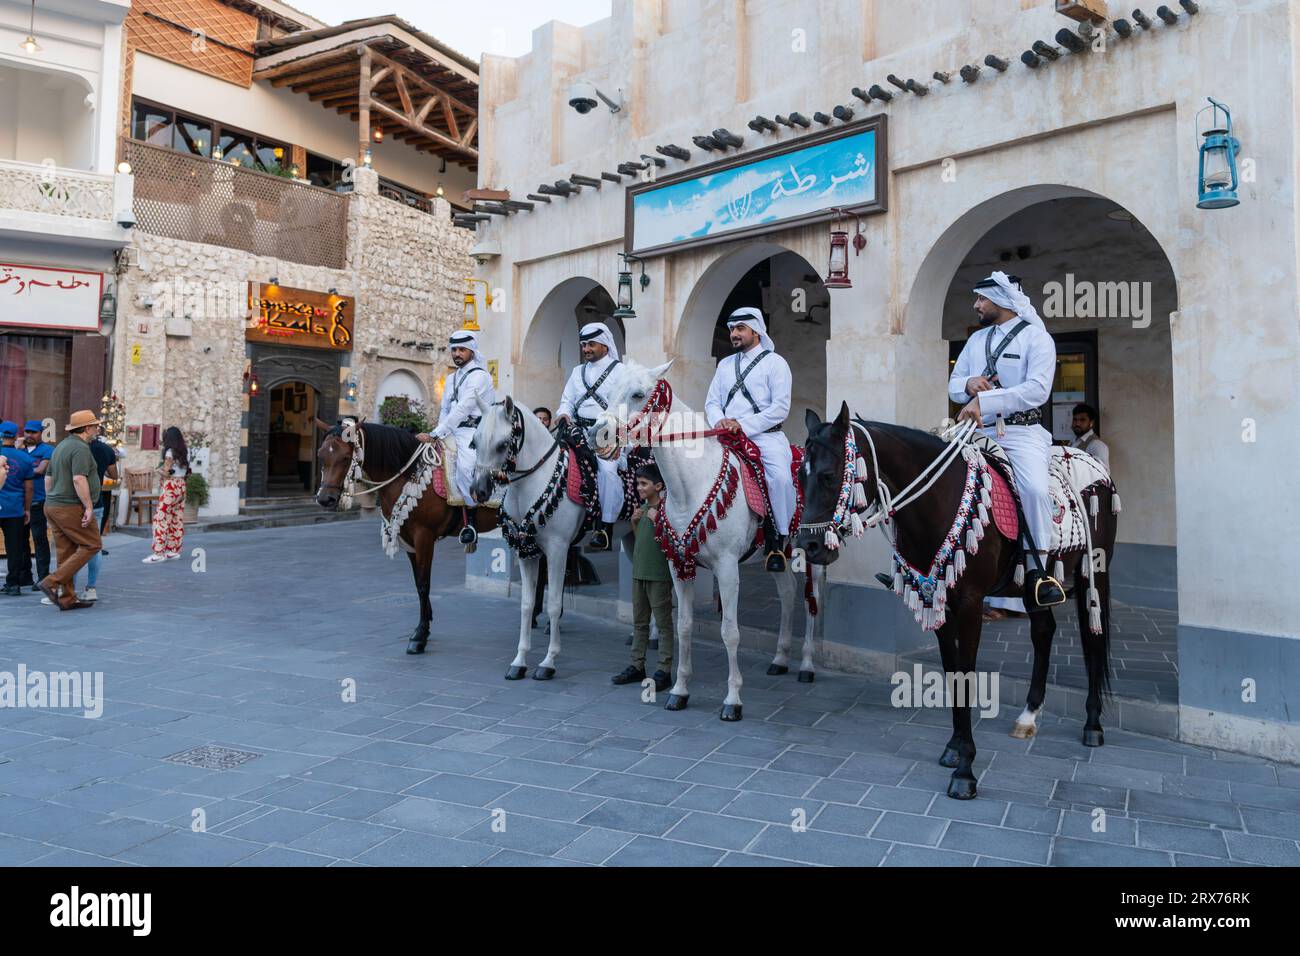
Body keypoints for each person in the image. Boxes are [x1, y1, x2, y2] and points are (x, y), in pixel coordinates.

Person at [950, 271, 1065, 611]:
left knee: (1034, 491)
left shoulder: (1037, 339)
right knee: (936, 478)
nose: (976, 305)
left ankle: (1038, 574)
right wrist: (968, 384)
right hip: (975, 431)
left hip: (1021, 432)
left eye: (981, 299)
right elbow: (954, 384)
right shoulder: (975, 341)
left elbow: (1037, 391)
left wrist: (986, 401)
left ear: (1001, 300)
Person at [704, 306, 796, 572]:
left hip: (765, 438)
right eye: (732, 329)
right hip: (725, 437)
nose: (734, 334)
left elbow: (780, 408)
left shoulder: (776, 363)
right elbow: (712, 402)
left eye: (740, 329)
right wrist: (719, 421)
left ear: (756, 330)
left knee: (779, 478)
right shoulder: (724, 365)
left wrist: (741, 425)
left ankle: (778, 539)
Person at [417, 329, 495, 546]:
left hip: (475, 430)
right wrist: (439, 433)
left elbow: (463, 408)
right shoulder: (451, 379)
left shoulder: (480, 376)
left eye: (462, 349)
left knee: (465, 466)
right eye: (454, 350)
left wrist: (435, 434)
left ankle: (471, 520)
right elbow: (446, 409)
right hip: (451, 430)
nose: (457, 354)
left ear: (471, 351)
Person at [556, 322, 625, 551]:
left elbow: (625, 406)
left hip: (608, 430)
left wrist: (609, 424)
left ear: (604, 345)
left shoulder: (620, 371)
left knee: (607, 470)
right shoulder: (578, 371)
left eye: (591, 344)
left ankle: (604, 527)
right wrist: (564, 413)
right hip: (577, 429)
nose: (586, 349)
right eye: (584, 345)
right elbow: (566, 400)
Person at [611, 462, 675, 691]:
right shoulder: (642, 508)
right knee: (639, 623)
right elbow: (642, 541)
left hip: (658, 575)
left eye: (643, 483)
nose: (639, 487)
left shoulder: (667, 510)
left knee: (664, 624)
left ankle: (664, 670)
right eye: (638, 483)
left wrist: (660, 522)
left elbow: (671, 544)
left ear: (658, 486)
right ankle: (637, 665)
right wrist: (635, 522)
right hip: (639, 573)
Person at [37, 410, 103, 610]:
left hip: (54, 505)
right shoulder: (80, 448)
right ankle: (51, 582)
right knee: (92, 544)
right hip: (70, 506)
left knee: (65, 552)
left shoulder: (61, 446)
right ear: (87, 428)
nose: (97, 428)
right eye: (95, 425)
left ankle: (68, 598)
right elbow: (78, 478)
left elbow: (48, 478)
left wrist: (51, 502)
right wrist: (89, 506)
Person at [142, 427, 189, 564]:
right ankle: (173, 551)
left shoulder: (170, 452)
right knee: (176, 518)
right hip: (181, 485)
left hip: (171, 487)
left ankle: (158, 553)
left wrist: (158, 471)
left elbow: (166, 472)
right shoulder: (185, 451)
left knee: (160, 518)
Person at [0, 422, 35, 597]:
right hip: (14, 508)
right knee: (14, 548)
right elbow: (29, 488)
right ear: (15, 437)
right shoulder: (25, 459)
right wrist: (27, 509)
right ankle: (13, 584)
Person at [19, 420, 53, 591]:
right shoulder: (20, 451)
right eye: (27, 432)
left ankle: (43, 577)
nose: (29, 435)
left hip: (38, 501)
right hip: (20, 502)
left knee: (39, 540)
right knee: (20, 540)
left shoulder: (47, 450)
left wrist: (20, 470)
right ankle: (25, 576)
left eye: (33, 432)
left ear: (41, 433)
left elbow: (40, 470)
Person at [1070, 402, 1110, 472]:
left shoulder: (1097, 444)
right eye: (1075, 419)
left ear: (1091, 423)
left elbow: (1103, 474)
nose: (1077, 423)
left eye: (1082, 420)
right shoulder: (1072, 441)